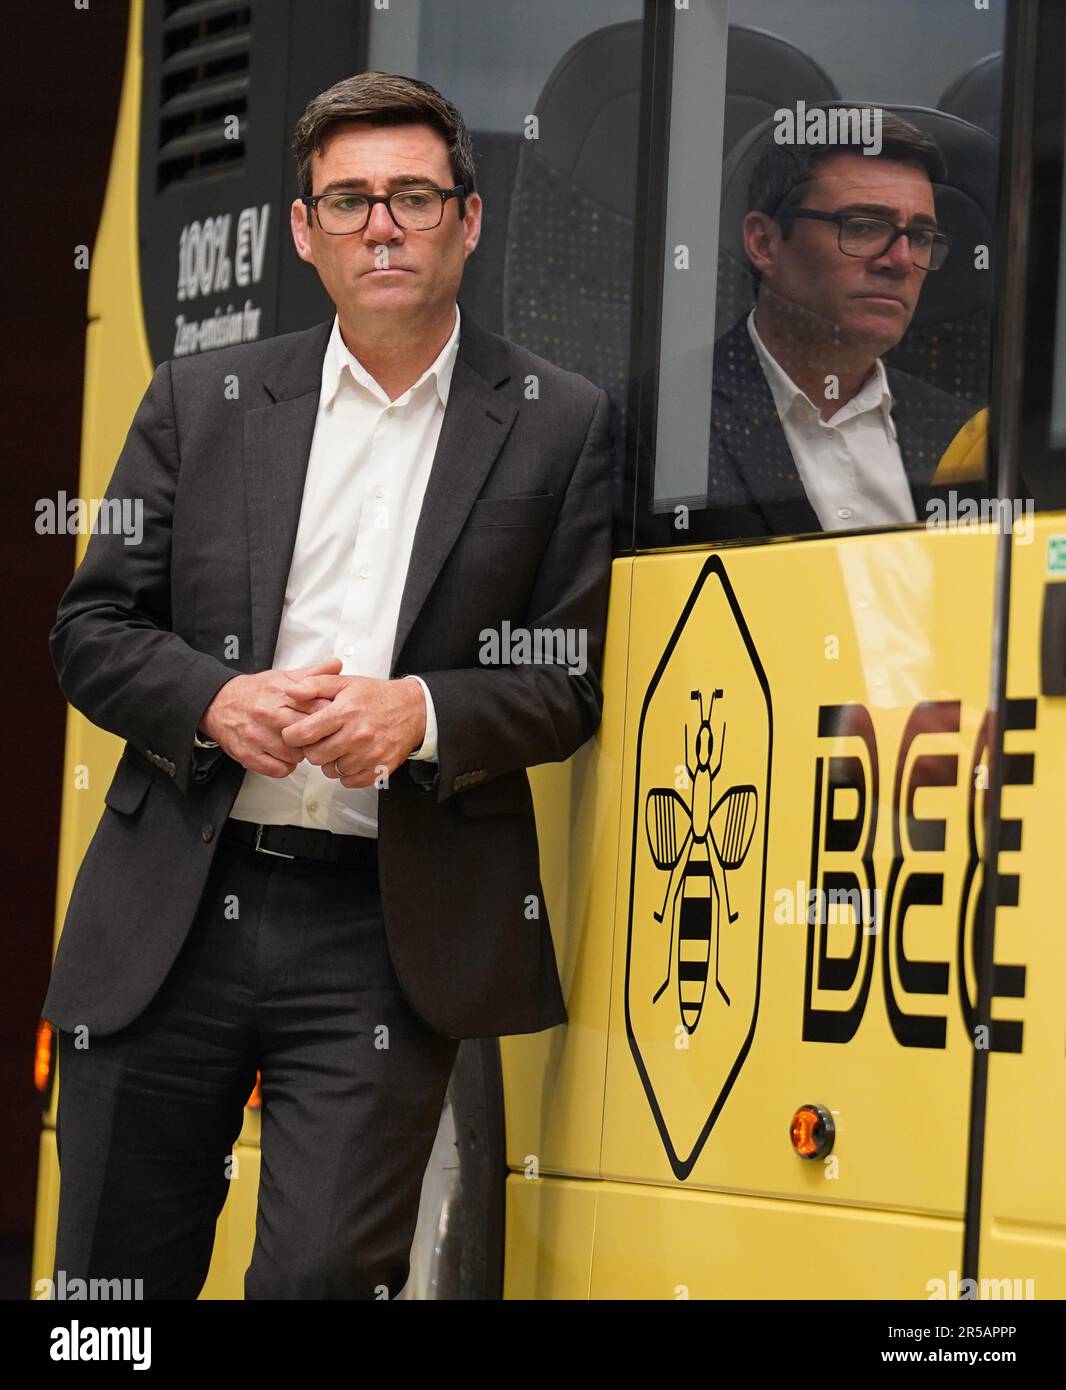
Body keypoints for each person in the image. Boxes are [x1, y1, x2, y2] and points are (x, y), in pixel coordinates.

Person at [43, 71, 612, 1300]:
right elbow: (90, 628)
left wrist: (426, 714)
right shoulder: (202, 402)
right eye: (349, 201)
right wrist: (212, 702)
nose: (382, 226)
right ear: (303, 230)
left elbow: (569, 680)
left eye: (414, 196)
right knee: (106, 1296)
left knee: (317, 1280)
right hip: (173, 910)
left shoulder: (562, 424)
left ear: (467, 219)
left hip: (384, 931)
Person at [707, 110, 979, 536]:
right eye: (864, 226)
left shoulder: (966, 440)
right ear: (765, 243)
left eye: (921, 237)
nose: (902, 261)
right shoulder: (665, 421)